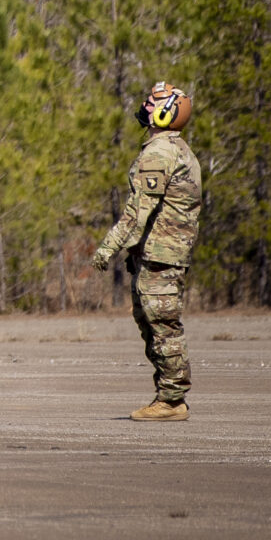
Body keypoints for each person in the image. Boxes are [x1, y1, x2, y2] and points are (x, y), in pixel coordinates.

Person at [91, 82, 201, 421]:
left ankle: (171, 401)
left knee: (162, 324)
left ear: (168, 110)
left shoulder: (160, 153)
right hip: (159, 252)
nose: (145, 106)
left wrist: (107, 248)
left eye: (152, 103)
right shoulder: (172, 149)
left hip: (161, 254)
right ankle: (167, 395)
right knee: (151, 322)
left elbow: (138, 210)